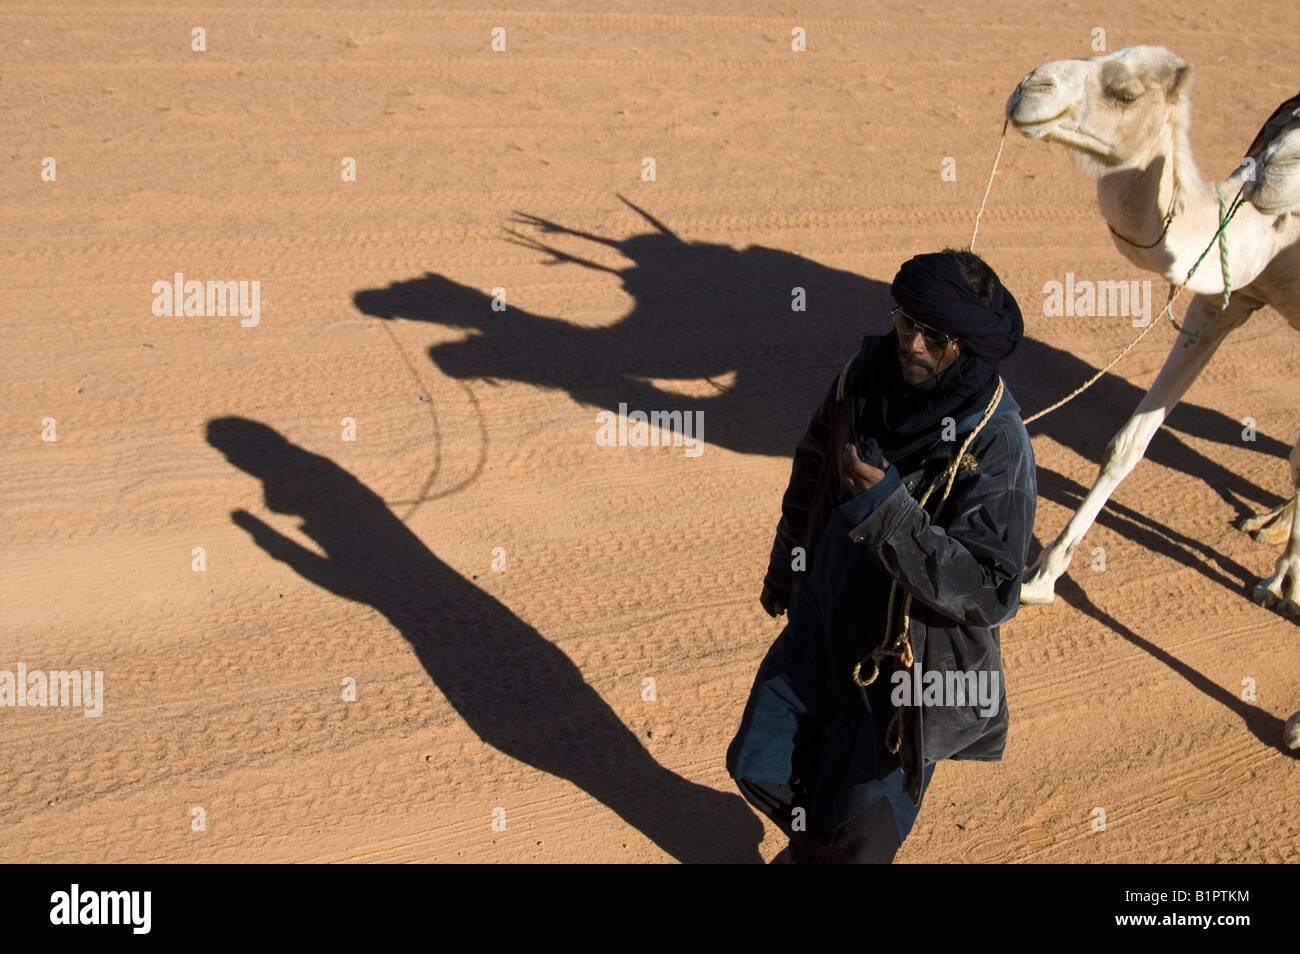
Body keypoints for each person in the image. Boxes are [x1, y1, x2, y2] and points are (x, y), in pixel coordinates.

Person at [725, 248, 1037, 863]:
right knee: (760, 763)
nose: (913, 343)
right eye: (905, 321)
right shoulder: (862, 376)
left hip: (902, 673)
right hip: (822, 625)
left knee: (861, 839)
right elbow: (813, 469)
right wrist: (785, 563)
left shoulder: (995, 443)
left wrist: (891, 513)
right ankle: (809, 848)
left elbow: (992, 590)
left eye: (936, 335)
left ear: (967, 344)